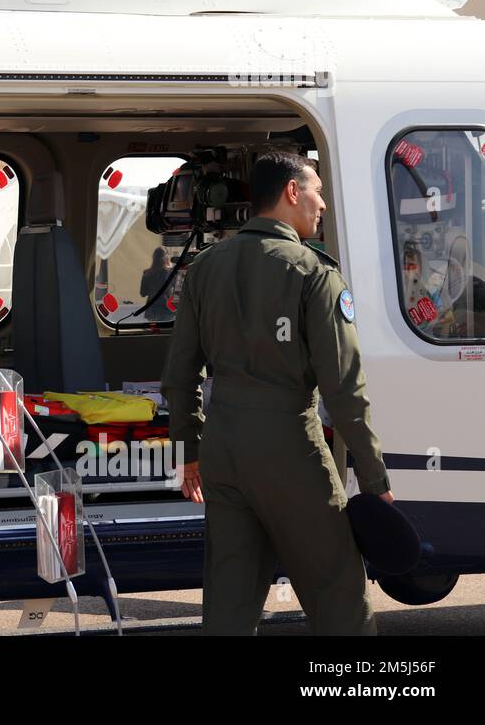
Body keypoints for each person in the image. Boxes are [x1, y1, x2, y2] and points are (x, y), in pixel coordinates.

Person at [159, 152, 394, 635]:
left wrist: (188, 452)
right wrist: (374, 481)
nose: (322, 204)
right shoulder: (314, 274)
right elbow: (345, 389)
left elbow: (180, 374)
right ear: (292, 192)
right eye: (317, 191)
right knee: (339, 594)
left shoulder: (204, 268)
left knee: (229, 598)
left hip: (223, 451)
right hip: (291, 449)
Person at [139, 247, 173, 321]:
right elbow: (170, 293)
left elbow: (143, 293)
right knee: (165, 332)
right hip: (165, 309)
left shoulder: (147, 273)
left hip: (151, 309)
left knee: (152, 332)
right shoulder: (168, 272)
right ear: (166, 258)